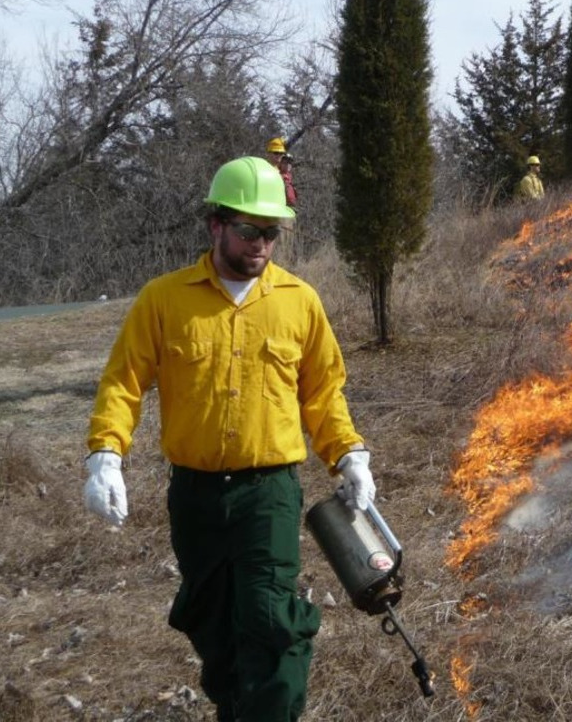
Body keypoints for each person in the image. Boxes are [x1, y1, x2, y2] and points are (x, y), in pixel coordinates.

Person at [82, 155, 376, 721]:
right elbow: (124, 382)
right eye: (248, 230)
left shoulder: (298, 302)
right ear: (215, 226)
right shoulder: (164, 301)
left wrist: (349, 455)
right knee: (211, 620)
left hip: (268, 492)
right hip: (194, 494)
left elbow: (323, 393)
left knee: (271, 620)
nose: (261, 244)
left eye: (272, 232)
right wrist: (105, 455)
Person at [264, 137, 298, 208]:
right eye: (276, 153)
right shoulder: (263, 168)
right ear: (268, 153)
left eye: (281, 153)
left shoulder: (284, 174)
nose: (279, 155)